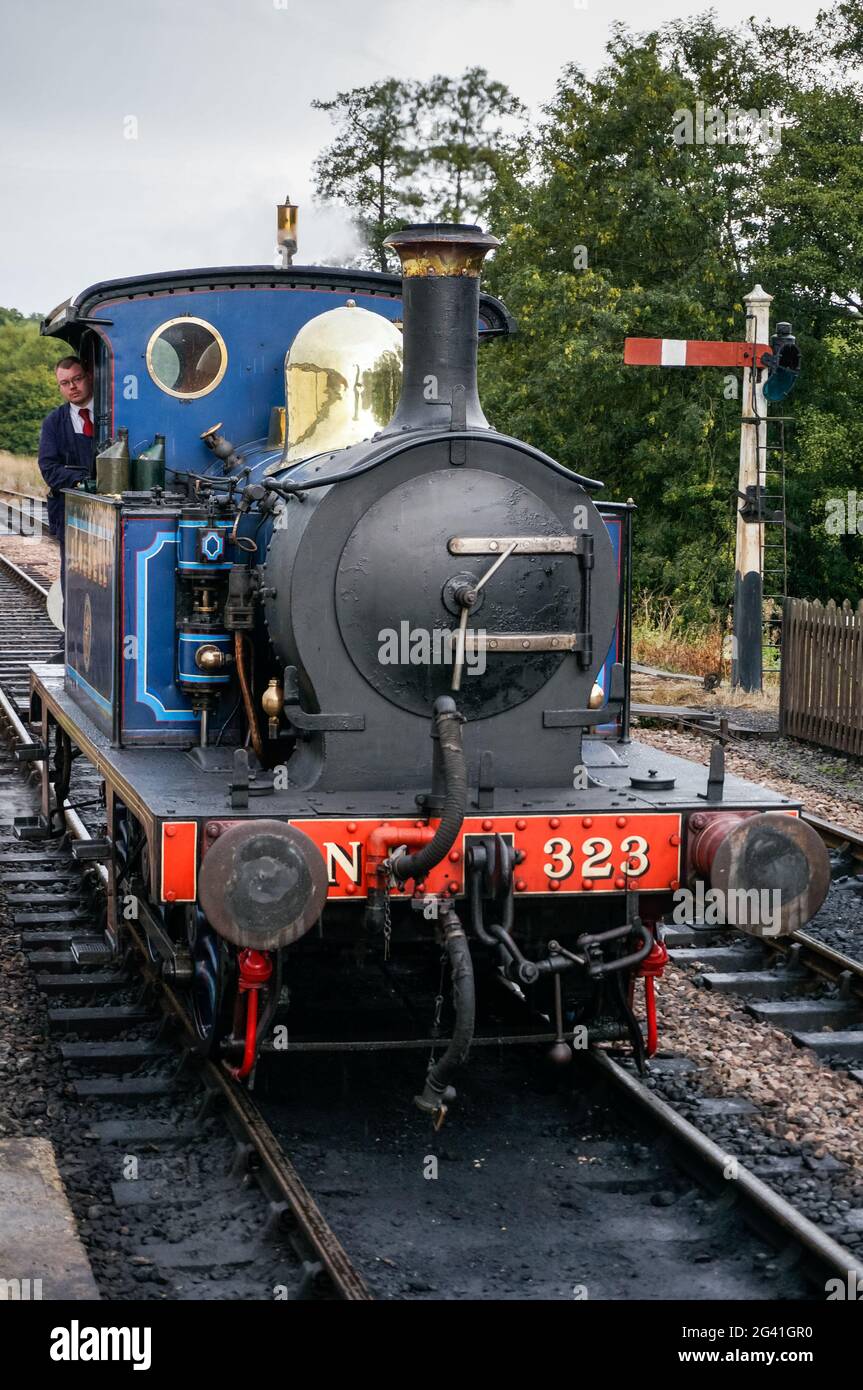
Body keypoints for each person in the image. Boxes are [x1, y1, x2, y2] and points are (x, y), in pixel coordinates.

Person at [38, 356, 97, 593]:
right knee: (73, 576)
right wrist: (82, 482)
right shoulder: (53, 422)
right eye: (65, 383)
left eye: (77, 379)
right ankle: (69, 629)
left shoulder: (113, 415)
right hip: (70, 511)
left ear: (89, 377)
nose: (72, 387)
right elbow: (49, 468)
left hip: (110, 512)